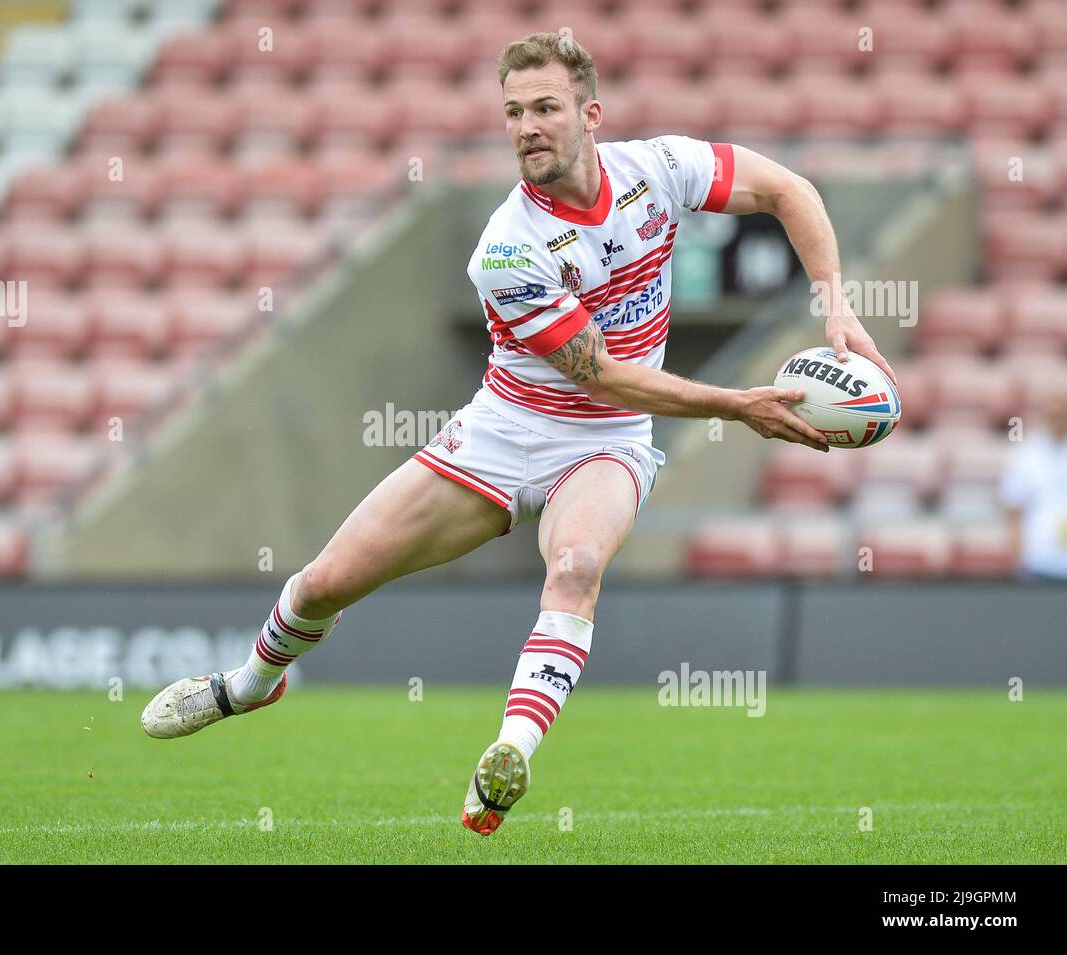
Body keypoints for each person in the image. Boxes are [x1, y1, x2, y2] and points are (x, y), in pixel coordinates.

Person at [140, 32, 897, 836]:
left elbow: (789, 188)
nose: (526, 126)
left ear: (590, 114)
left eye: (544, 107)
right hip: (505, 433)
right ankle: (250, 684)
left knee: (575, 566)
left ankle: (508, 756)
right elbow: (600, 371)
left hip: (607, 444)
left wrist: (834, 300)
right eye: (512, 112)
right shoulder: (508, 247)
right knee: (327, 583)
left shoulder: (660, 171)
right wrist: (734, 404)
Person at [1001, 382, 1067, 581]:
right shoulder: (1026, 455)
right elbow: (1013, 508)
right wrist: (1017, 555)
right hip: (1038, 561)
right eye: (1053, 413)